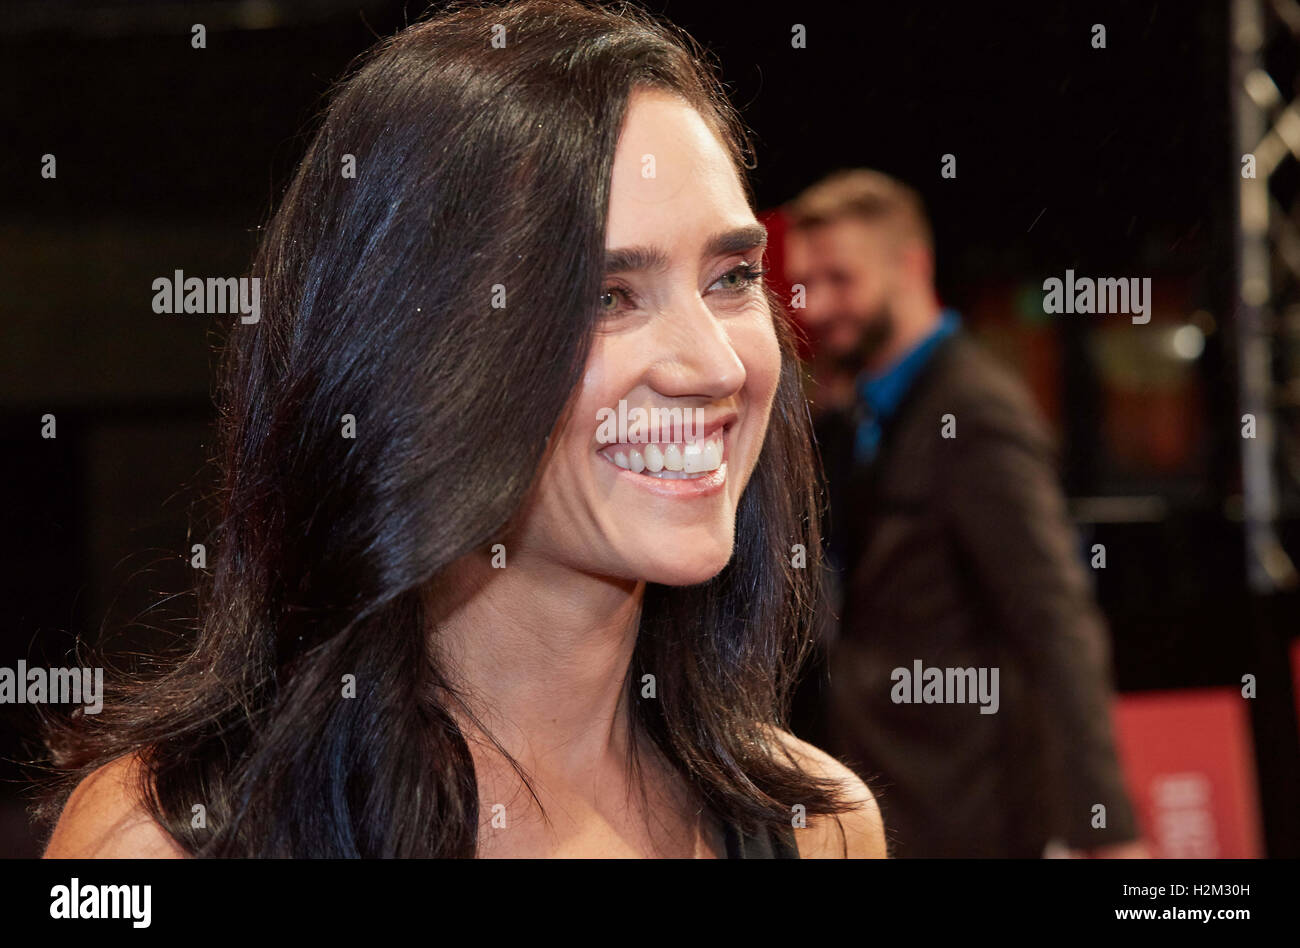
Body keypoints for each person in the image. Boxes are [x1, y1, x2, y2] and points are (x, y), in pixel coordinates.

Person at [37, 0, 884, 859]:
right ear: (413, 350)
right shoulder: (161, 844)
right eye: (602, 295)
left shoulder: (824, 829)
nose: (715, 367)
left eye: (731, 277)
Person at [784, 169, 1145, 858]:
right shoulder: (856, 412)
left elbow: (1056, 620)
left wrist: (1108, 826)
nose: (818, 305)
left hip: (973, 814)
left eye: (840, 279)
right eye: (805, 284)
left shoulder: (975, 412)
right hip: (887, 796)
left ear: (912, 266)